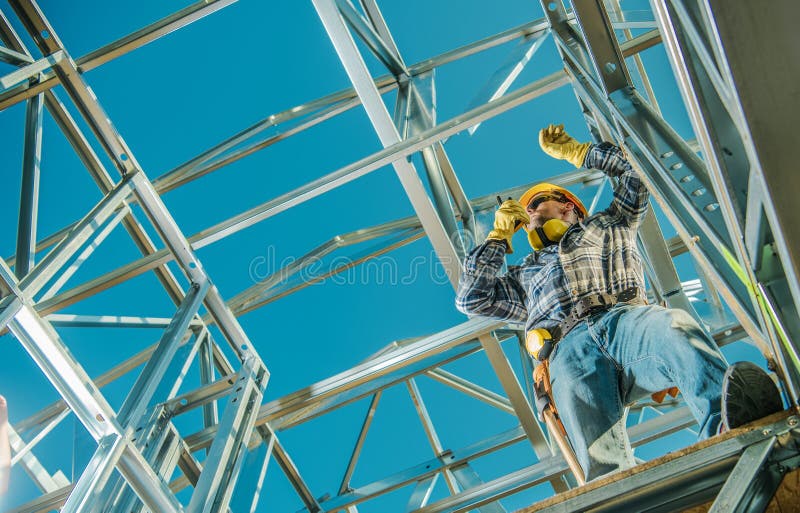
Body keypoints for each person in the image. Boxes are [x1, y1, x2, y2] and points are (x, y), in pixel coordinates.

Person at [456, 124, 783, 481]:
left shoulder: (609, 223)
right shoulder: (524, 274)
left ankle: (728, 426)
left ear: (569, 207)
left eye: (536, 203)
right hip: (567, 352)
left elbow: (636, 172)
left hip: (624, 322)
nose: (528, 211)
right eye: (524, 210)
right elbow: (472, 297)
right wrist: (497, 236)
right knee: (600, 460)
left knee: (674, 329)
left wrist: (579, 153)